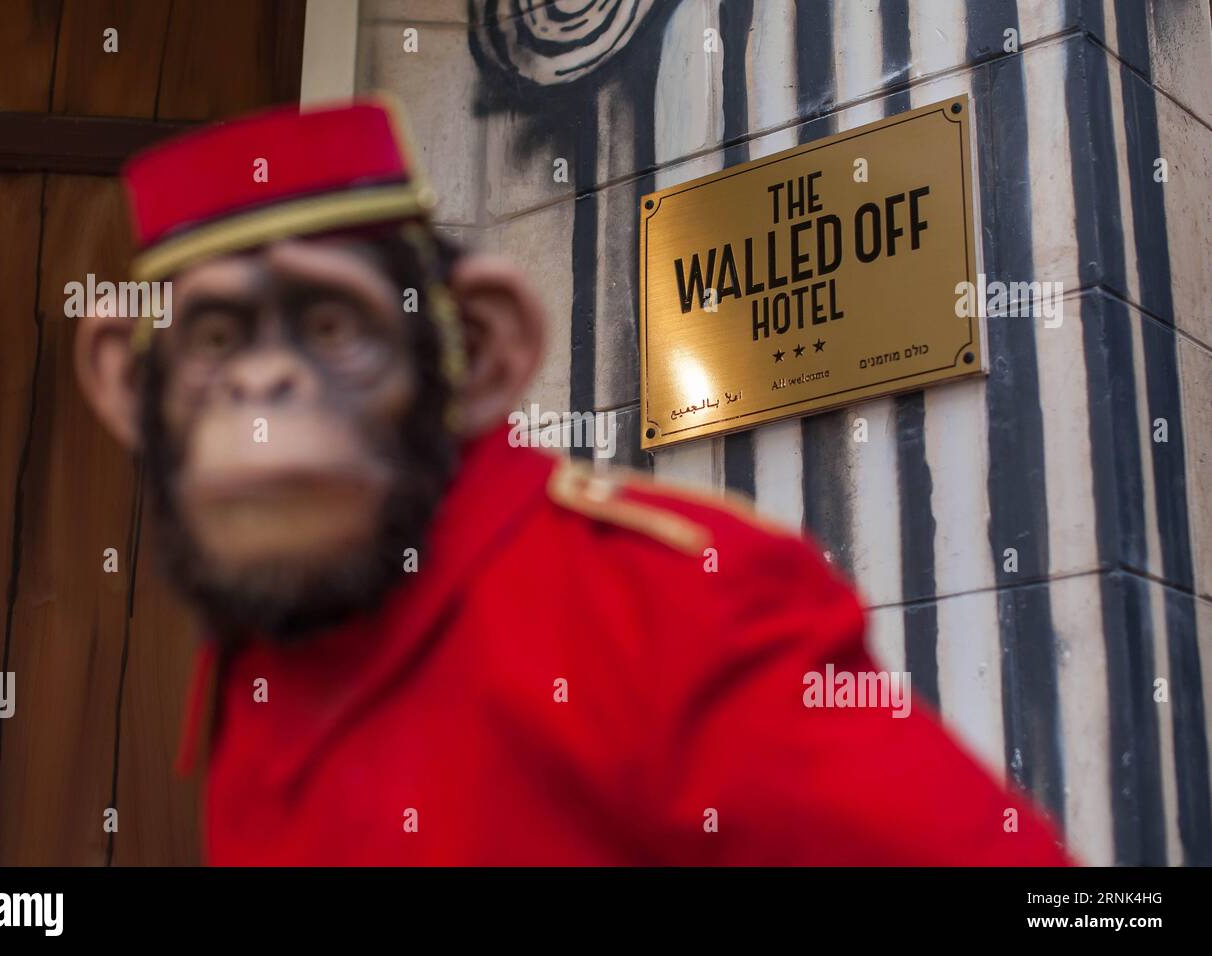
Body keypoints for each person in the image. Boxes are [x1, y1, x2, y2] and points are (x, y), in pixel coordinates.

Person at [75, 97, 1071, 865]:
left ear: (480, 351)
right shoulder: (256, 652)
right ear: (131, 388)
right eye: (215, 340)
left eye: (331, 328)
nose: (266, 383)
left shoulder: (660, 605)